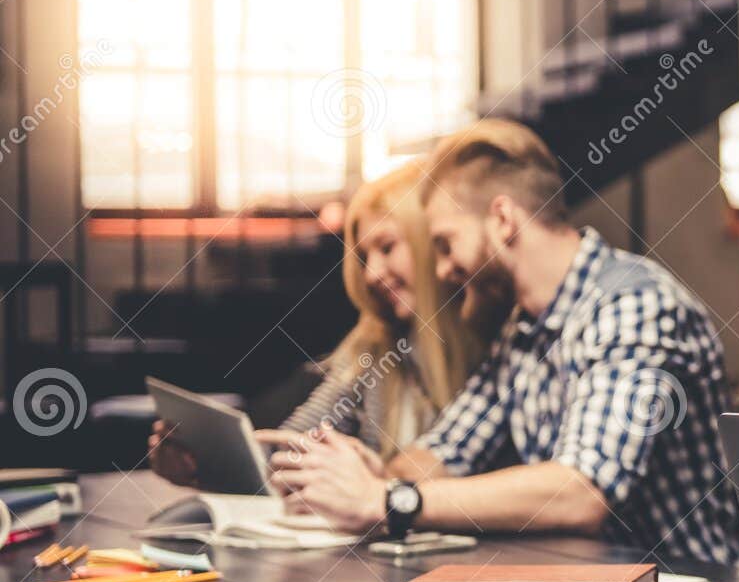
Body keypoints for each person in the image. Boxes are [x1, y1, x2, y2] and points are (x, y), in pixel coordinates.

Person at [269, 119, 739, 565]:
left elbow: (581, 492)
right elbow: (447, 450)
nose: (441, 271)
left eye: (444, 243)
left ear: (503, 220)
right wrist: (375, 475)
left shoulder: (632, 305)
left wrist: (389, 499)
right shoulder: (526, 328)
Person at [147, 160, 497, 482]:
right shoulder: (373, 353)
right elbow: (292, 444)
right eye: (363, 257)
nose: (372, 274)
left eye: (387, 247)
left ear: (430, 243)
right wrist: (203, 465)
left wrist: (373, 485)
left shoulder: (496, 347)